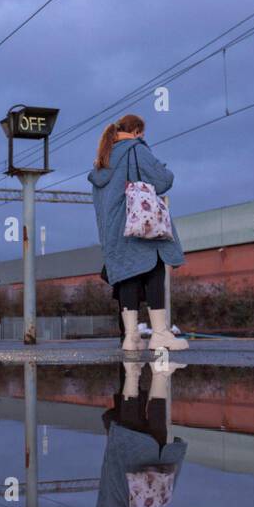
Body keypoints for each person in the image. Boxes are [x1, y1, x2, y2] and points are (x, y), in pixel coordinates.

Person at [88, 115, 187, 354]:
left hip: (113, 232)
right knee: (154, 268)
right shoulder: (136, 150)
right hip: (139, 226)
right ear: (137, 132)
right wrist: (160, 166)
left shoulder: (102, 160)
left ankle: (131, 338)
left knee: (127, 277)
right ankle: (160, 334)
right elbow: (163, 181)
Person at [90, 361, 187, 507]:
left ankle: (161, 369)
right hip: (119, 470)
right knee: (130, 417)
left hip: (148, 476)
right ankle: (132, 367)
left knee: (156, 423)